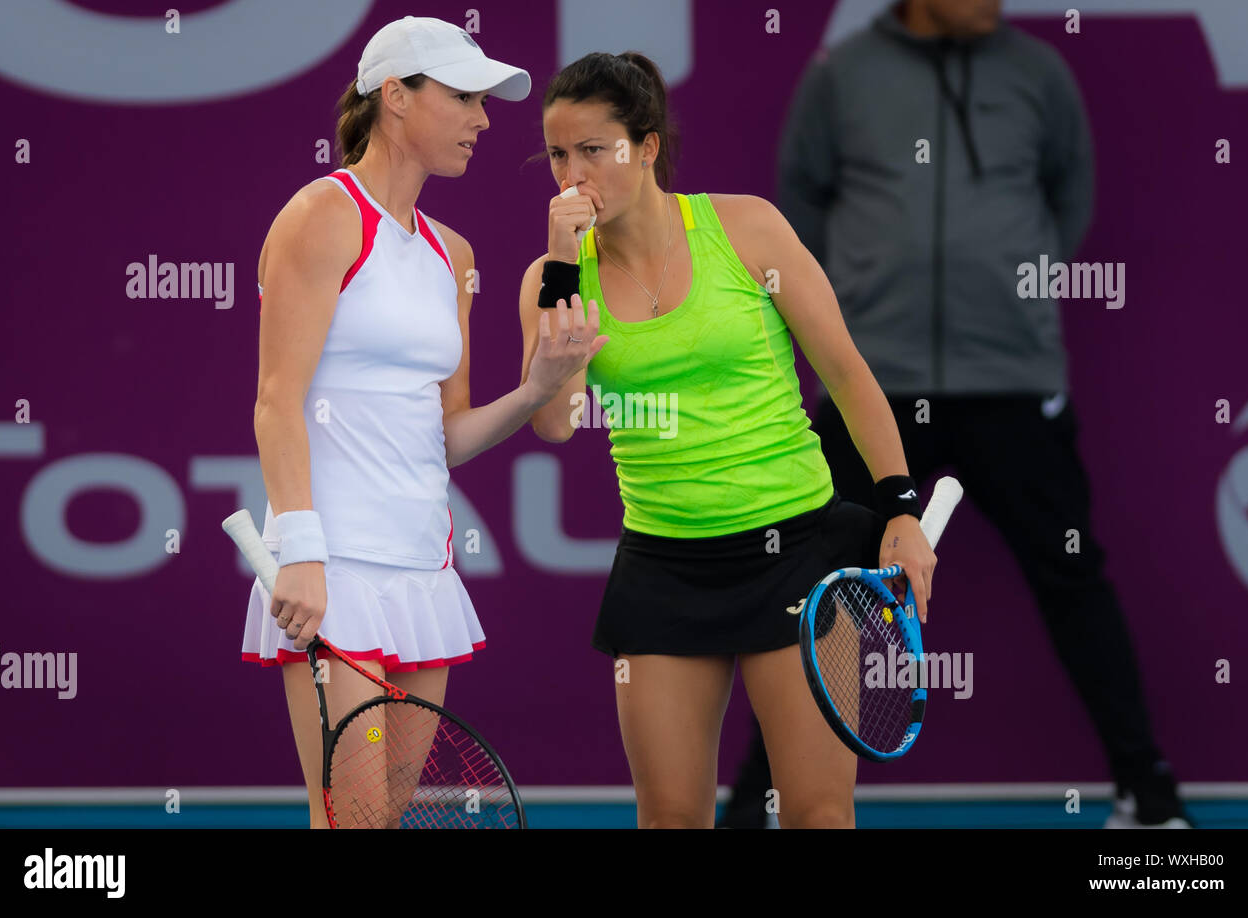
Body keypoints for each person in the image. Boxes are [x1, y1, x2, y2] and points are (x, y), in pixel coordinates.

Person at [740, 0, 1189, 828]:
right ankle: (756, 803)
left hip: (1010, 377)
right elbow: (798, 212)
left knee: (1073, 576)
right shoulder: (843, 76)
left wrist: (1002, 287)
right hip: (873, 383)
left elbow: (1068, 201)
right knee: (820, 597)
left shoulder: (1038, 74)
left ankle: (1148, 794)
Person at [517, 51, 938, 829]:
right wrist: (563, 275)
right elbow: (555, 422)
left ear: (645, 147)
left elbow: (846, 375)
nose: (572, 174)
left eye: (593, 150)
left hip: (800, 557)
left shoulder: (746, 227)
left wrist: (901, 510)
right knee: (671, 819)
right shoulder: (552, 278)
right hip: (664, 565)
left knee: (816, 814)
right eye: (557, 153)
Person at [240, 16, 604, 829]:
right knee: (351, 820)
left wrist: (536, 385)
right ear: (395, 97)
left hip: (422, 572)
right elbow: (277, 400)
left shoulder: (454, 254)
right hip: (331, 567)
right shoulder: (322, 214)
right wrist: (300, 553)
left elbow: (449, 438)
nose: (484, 119)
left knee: (386, 821)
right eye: (465, 97)